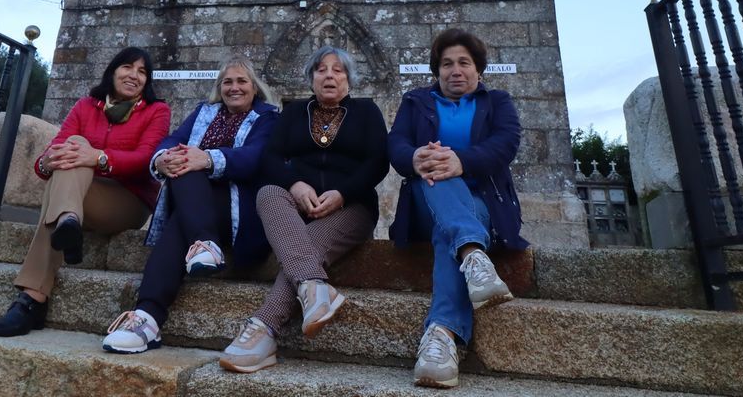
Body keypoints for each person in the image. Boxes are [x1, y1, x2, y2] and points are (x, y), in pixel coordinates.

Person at [218, 46, 389, 374]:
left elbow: (378, 162)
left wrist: (343, 192)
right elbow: (270, 158)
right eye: (321, 69)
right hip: (297, 207)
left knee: (310, 239)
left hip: (351, 207)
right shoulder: (295, 112)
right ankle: (314, 287)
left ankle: (264, 328)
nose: (329, 75)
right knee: (269, 192)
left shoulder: (367, 112)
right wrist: (295, 184)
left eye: (338, 70)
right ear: (311, 78)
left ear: (349, 80)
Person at [0, 46, 171, 337]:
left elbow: (146, 159)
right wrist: (46, 161)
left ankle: (31, 298)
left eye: (142, 72)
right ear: (113, 71)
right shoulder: (86, 106)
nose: (134, 76)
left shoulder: (156, 111)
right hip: (78, 192)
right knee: (71, 144)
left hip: (127, 201)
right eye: (127, 67)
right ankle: (68, 222)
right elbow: (52, 153)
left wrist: (97, 157)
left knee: (77, 153)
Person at [100, 58, 280, 353]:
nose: (234, 87)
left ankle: (147, 318)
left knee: (189, 166)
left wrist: (206, 159)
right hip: (194, 205)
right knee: (182, 162)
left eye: (241, 81)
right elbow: (172, 140)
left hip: (238, 210)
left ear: (254, 87)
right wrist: (162, 158)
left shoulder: (268, 117)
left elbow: (255, 157)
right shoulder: (203, 112)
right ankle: (203, 246)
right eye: (227, 82)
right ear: (219, 88)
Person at [387, 28, 527, 389]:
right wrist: (416, 157)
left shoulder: (498, 102)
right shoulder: (416, 101)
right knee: (434, 165)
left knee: (448, 226)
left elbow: (506, 144)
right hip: (425, 199)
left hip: (485, 207)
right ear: (437, 71)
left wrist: (460, 161)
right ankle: (473, 256)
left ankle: (442, 337)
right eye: (447, 63)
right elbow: (397, 144)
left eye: (464, 62)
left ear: (478, 69)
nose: (455, 70)